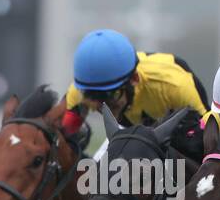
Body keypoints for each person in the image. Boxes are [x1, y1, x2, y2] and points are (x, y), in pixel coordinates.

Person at [61, 29, 208, 138]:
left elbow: (209, 135)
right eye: (93, 98)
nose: (103, 107)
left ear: (135, 79)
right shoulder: (81, 90)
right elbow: (59, 136)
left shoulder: (175, 86)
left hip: (178, 133)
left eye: (110, 95)